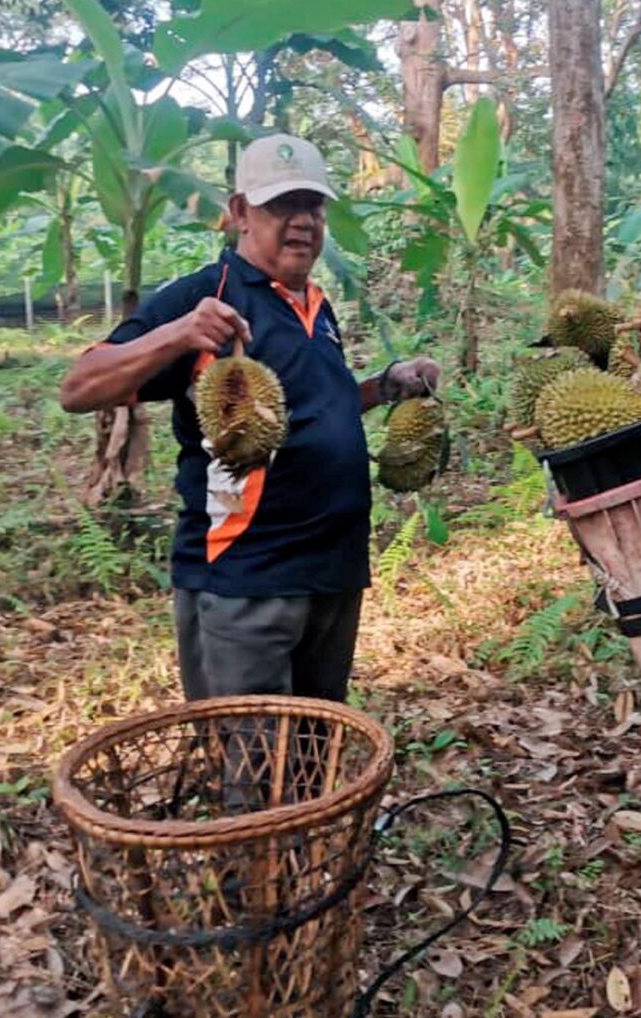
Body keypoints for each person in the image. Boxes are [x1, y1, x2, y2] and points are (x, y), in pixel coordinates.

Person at [59, 134, 440, 706]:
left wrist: (386, 385)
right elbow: (78, 388)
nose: (303, 222)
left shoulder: (315, 304)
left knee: (317, 749)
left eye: (312, 206)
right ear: (239, 213)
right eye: (282, 205)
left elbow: (313, 408)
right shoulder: (203, 299)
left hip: (332, 572)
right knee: (254, 766)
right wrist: (176, 334)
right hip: (248, 579)